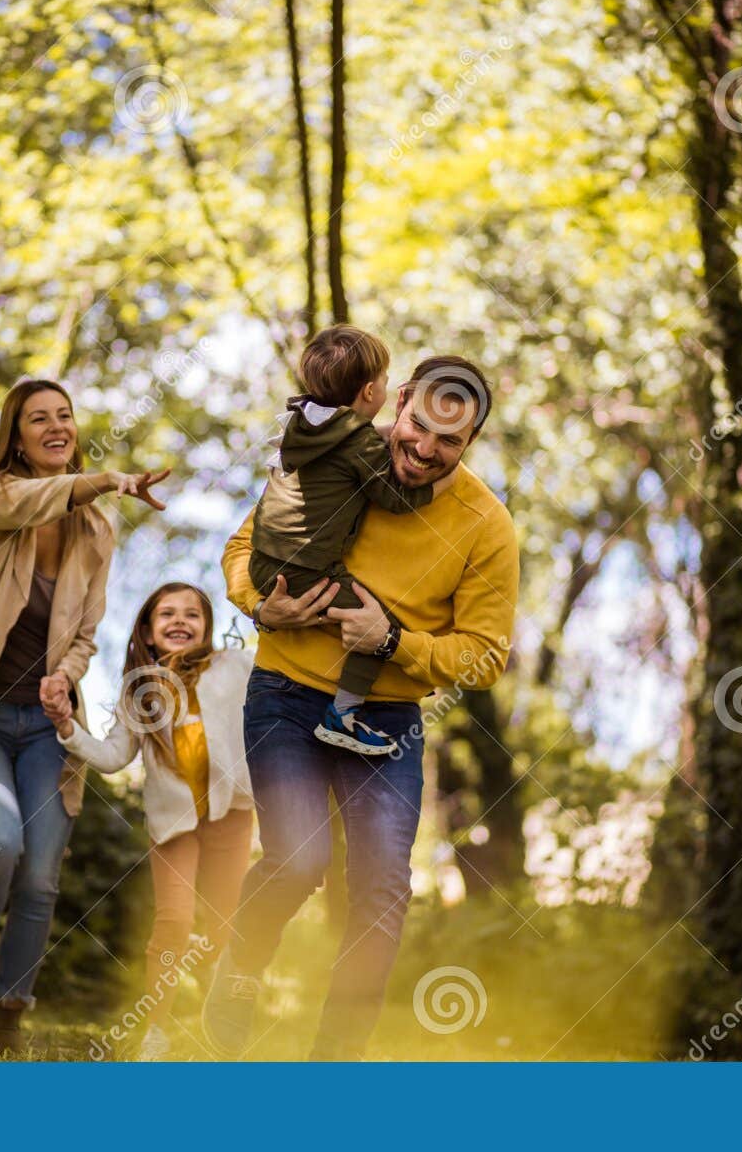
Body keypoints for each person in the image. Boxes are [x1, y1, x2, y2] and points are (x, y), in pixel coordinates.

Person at [204, 355, 519, 1060]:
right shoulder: (330, 455)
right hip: (285, 692)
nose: (425, 449)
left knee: (382, 888)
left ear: (471, 441)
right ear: (399, 401)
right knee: (300, 856)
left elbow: (486, 654)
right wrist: (264, 602)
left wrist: (396, 641)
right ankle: (241, 968)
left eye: (449, 441)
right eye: (416, 427)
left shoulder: (485, 524)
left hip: (387, 719)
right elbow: (242, 544)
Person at [0, 377, 170, 1052]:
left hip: (48, 727)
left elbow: (85, 634)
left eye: (65, 416)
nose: (56, 426)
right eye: (38, 419)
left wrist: (64, 679)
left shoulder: (95, 531)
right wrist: (109, 476)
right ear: (15, 437)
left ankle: (9, 1013)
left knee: (42, 874)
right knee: (1, 840)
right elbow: (31, 498)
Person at [47, 583, 256, 1061]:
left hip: (233, 815)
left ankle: (222, 1026)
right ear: (147, 627)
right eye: (167, 614)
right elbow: (113, 755)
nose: (180, 622)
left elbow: (275, 699)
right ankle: (155, 1032)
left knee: (226, 926)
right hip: (175, 824)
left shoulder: (235, 666)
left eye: (192, 614)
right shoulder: (140, 689)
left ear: (206, 626)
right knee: (174, 921)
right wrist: (67, 728)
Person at [247, 325, 433, 755]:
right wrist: (433, 485)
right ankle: (343, 716)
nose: (386, 386)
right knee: (377, 626)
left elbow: (352, 446)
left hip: (264, 564)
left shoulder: (302, 422)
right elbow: (394, 497)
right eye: (386, 380)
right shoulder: (360, 441)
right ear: (369, 391)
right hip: (307, 571)